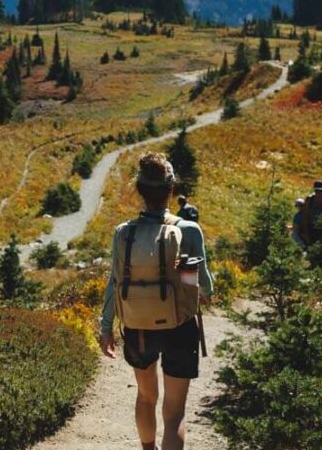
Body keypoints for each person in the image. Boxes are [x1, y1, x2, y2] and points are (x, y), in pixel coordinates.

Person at [99, 153, 214, 450]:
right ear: (171, 189)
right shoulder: (188, 230)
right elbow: (203, 284)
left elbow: (114, 282)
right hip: (179, 327)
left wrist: (105, 327)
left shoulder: (124, 233)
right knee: (174, 412)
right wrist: (193, 286)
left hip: (137, 327)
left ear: (140, 189)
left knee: (146, 397)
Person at [291, 180, 322, 249]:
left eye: (321, 191)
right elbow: (305, 217)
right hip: (311, 226)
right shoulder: (309, 200)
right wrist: (306, 234)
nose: (319, 193)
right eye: (317, 191)